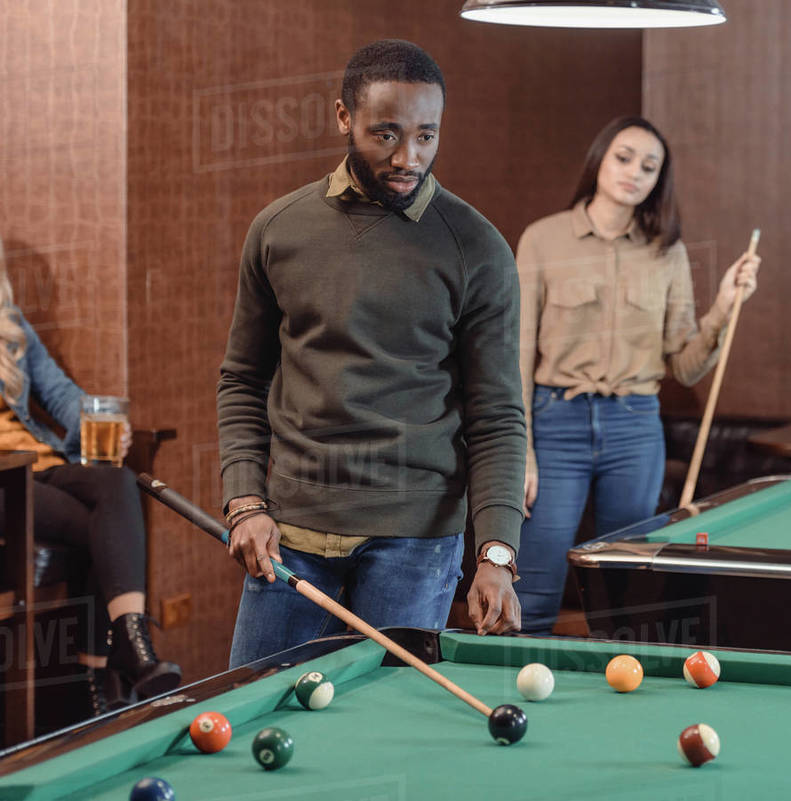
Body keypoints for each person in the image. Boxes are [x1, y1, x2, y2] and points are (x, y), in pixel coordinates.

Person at [217, 40, 525, 668]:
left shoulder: (477, 246)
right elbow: (243, 381)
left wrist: (496, 553)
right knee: (256, 721)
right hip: (289, 537)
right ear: (343, 118)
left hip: (415, 541)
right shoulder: (278, 230)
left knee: (389, 746)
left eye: (426, 135)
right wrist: (244, 501)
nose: (408, 156)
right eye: (386, 134)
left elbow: (496, 414)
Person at [516, 116, 761, 634]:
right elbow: (514, 354)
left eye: (649, 167)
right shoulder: (543, 239)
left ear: (657, 182)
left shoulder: (665, 252)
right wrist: (523, 452)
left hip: (634, 426)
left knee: (626, 583)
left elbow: (686, 365)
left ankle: (620, 690)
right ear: (599, 160)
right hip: (555, 423)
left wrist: (723, 305)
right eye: (624, 158)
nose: (634, 173)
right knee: (535, 583)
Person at [0, 238, 180, 715]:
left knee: (115, 482)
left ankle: (125, 649)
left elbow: (62, 395)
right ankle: (108, 670)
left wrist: (104, 425)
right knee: (106, 532)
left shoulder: (9, 323)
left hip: (41, 466)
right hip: (4, 484)